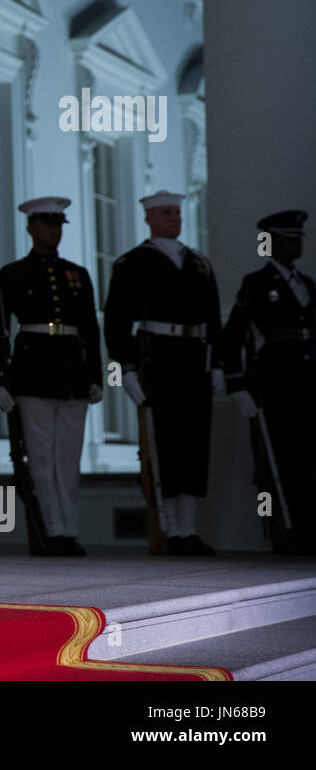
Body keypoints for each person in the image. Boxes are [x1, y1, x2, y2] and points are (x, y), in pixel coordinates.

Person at [104, 190, 224, 556]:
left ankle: (188, 527)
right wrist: (124, 369)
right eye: (167, 213)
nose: (175, 218)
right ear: (149, 217)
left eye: (177, 212)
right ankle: (170, 529)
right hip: (157, 357)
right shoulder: (133, 263)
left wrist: (218, 363)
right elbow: (116, 320)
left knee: (194, 444)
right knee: (165, 444)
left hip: (193, 359)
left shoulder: (199, 262)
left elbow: (214, 318)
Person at [0, 197, 103, 556]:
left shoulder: (78, 274)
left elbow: (90, 330)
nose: (54, 230)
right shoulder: (13, 274)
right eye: (47, 224)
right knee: (39, 456)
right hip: (32, 373)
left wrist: (95, 374)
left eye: (58, 224)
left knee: (68, 456)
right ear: (31, 227)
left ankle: (68, 529)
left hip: (72, 375)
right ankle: (48, 529)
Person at [221, 209, 315, 554]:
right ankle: (285, 531)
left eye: (299, 237)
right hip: (278, 385)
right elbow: (233, 338)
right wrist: (237, 384)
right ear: (271, 241)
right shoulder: (256, 285)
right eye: (290, 237)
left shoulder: (308, 286)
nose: (297, 243)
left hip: (308, 384)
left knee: (309, 460)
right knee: (283, 462)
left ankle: (309, 527)